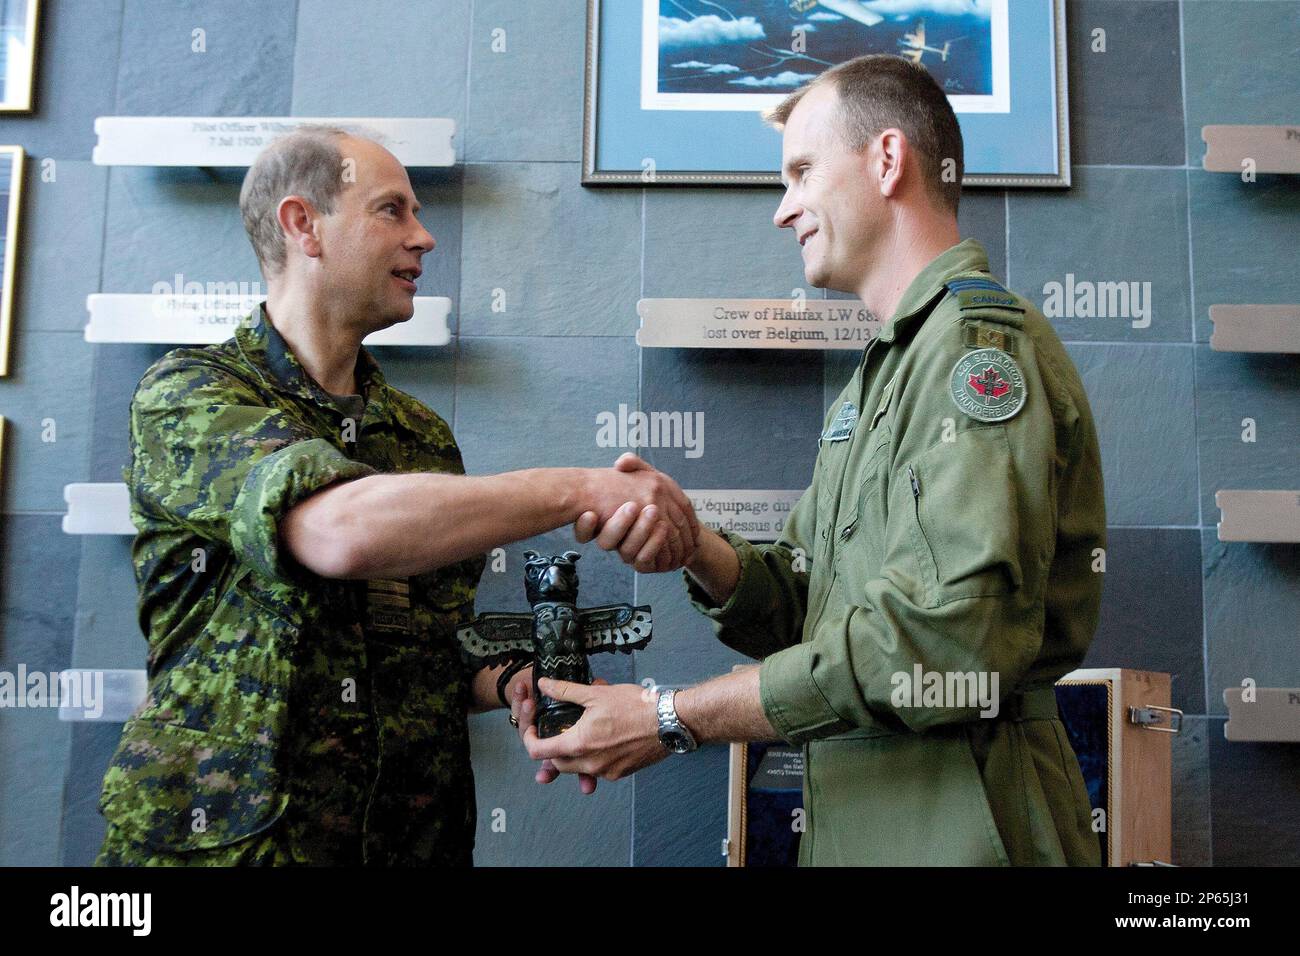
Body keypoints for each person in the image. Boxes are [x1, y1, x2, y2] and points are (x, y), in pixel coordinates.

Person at [524, 55, 1107, 866]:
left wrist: (671, 717)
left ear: (888, 160)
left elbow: (941, 647)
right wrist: (697, 545)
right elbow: (806, 609)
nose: (782, 208)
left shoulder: (975, 353)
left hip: (964, 822)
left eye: (801, 171)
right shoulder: (883, 375)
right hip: (858, 819)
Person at [95, 125, 698, 866]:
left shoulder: (419, 436)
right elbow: (338, 533)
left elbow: (433, 648)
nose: (425, 237)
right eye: (393, 211)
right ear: (301, 225)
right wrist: (578, 487)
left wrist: (509, 680)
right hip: (234, 848)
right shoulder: (188, 396)